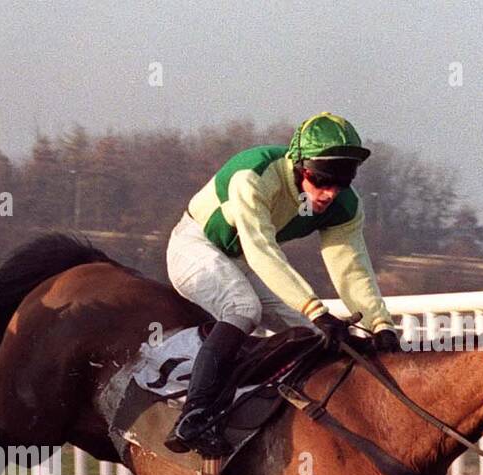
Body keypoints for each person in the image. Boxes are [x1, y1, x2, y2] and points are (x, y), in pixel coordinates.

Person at [165, 112, 398, 451]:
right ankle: (193, 414)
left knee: (319, 336)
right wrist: (315, 307)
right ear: (300, 167)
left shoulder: (345, 208)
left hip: (244, 263)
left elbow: (351, 269)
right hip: (196, 247)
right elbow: (261, 250)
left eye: (341, 183)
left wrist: (380, 325)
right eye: (321, 181)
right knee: (245, 307)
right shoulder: (254, 176)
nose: (330, 194)